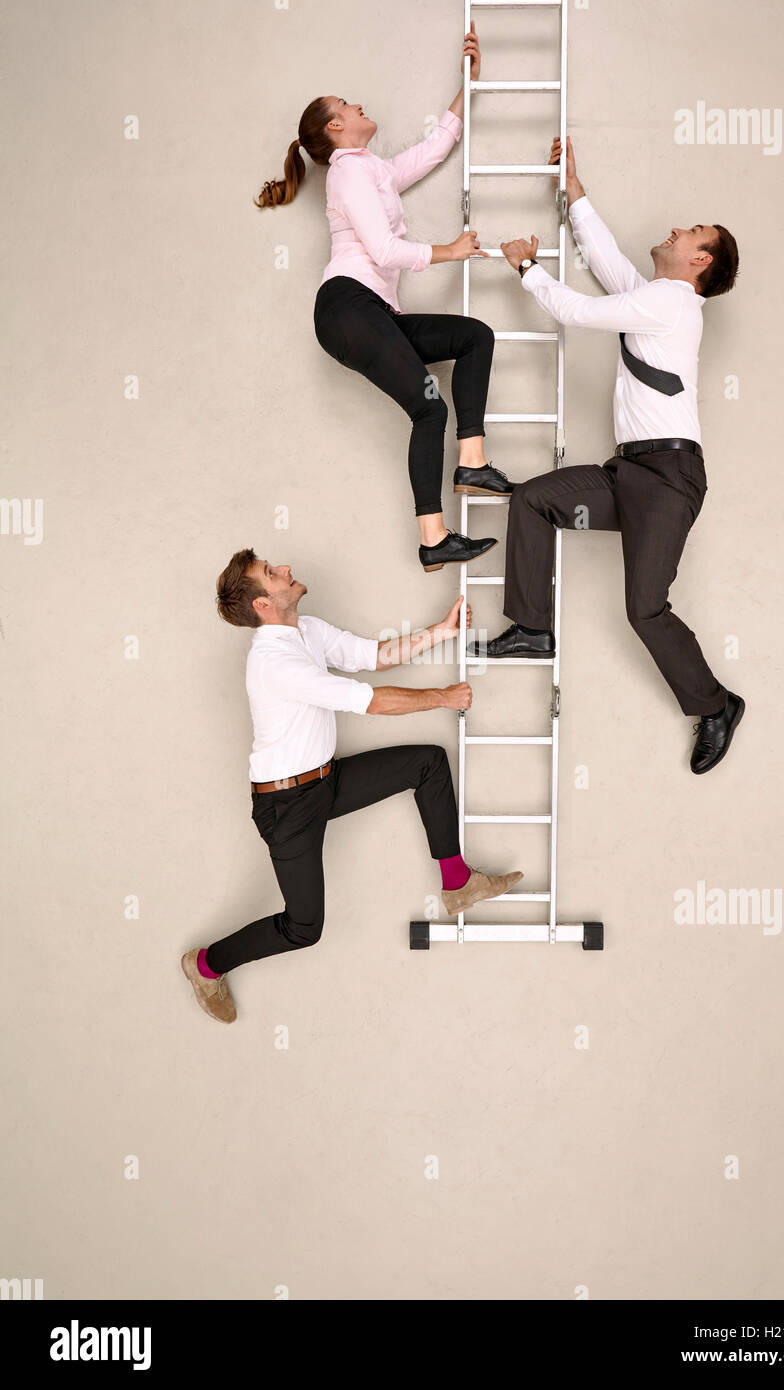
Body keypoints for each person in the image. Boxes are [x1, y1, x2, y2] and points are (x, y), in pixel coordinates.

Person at [470, 135, 745, 775]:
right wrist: (573, 185)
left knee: (645, 607)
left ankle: (716, 705)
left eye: (689, 230)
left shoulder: (671, 302)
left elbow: (578, 309)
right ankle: (533, 628)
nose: (674, 229)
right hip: (632, 471)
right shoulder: (655, 300)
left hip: (669, 477)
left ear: (700, 258)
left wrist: (525, 267)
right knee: (536, 499)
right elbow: (608, 262)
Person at [181, 550, 522, 1023]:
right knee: (304, 928)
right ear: (262, 603)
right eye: (269, 572)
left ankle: (457, 883)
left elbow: (373, 658)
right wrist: (442, 697)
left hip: (326, 779)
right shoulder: (274, 660)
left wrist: (442, 632)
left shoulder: (307, 631)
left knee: (427, 764)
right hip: (285, 807)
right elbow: (370, 702)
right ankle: (204, 966)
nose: (283, 567)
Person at [254, 22, 514, 573]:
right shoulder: (346, 177)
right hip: (347, 307)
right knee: (428, 406)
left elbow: (435, 149)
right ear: (336, 125)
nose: (360, 103)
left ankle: (471, 461)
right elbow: (382, 248)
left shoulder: (371, 170)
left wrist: (469, 80)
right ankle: (434, 536)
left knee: (474, 338)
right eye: (348, 103)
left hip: (372, 313)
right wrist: (450, 250)